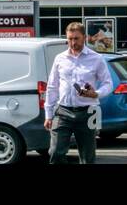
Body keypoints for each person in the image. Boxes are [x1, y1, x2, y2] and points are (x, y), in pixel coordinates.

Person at [44, 21, 114, 164]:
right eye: (70, 39)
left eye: (76, 38)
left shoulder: (96, 58)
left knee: (87, 157)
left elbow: (108, 84)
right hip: (63, 111)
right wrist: (48, 114)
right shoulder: (60, 58)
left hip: (88, 112)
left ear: (84, 38)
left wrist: (96, 93)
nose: (73, 42)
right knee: (55, 152)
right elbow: (52, 86)